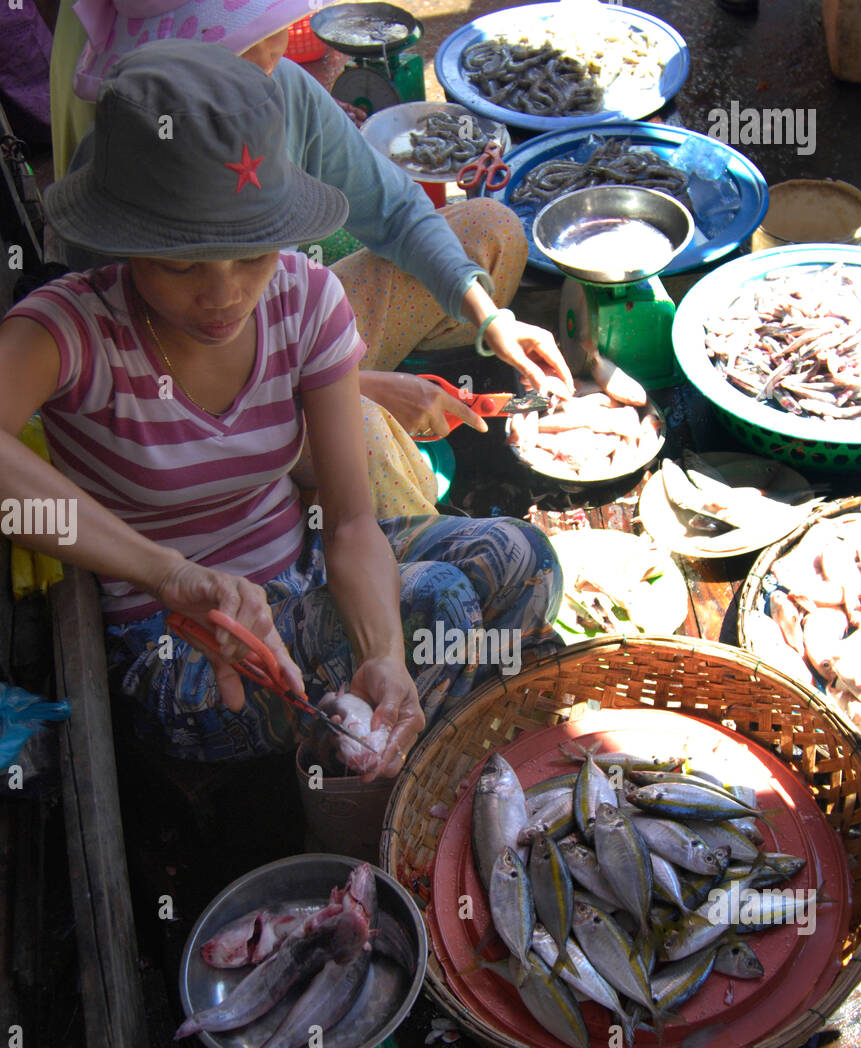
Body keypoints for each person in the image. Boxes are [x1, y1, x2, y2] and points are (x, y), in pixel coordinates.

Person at [0, 44, 562, 776]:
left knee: (523, 559)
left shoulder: (305, 299)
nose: (223, 294)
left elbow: (351, 522)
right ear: (126, 242)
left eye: (252, 254)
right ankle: (397, 777)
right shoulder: (73, 329)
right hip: (178, 648)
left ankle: (392, 737)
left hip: (308, 573)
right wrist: (167, 575)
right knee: (439, 602)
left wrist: (383, 655)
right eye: (181, 264)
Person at [48, 0, 575, 515]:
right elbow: (144, 379)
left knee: (490, 229)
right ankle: (398, 540)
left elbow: (395, 211)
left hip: (295, 344)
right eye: (240, 44)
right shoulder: (130, 155)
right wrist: (344, 391)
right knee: (363, 432)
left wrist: (490, 317)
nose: (270, 53)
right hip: (203, 415)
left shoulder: (284, 92)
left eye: (270, 29)